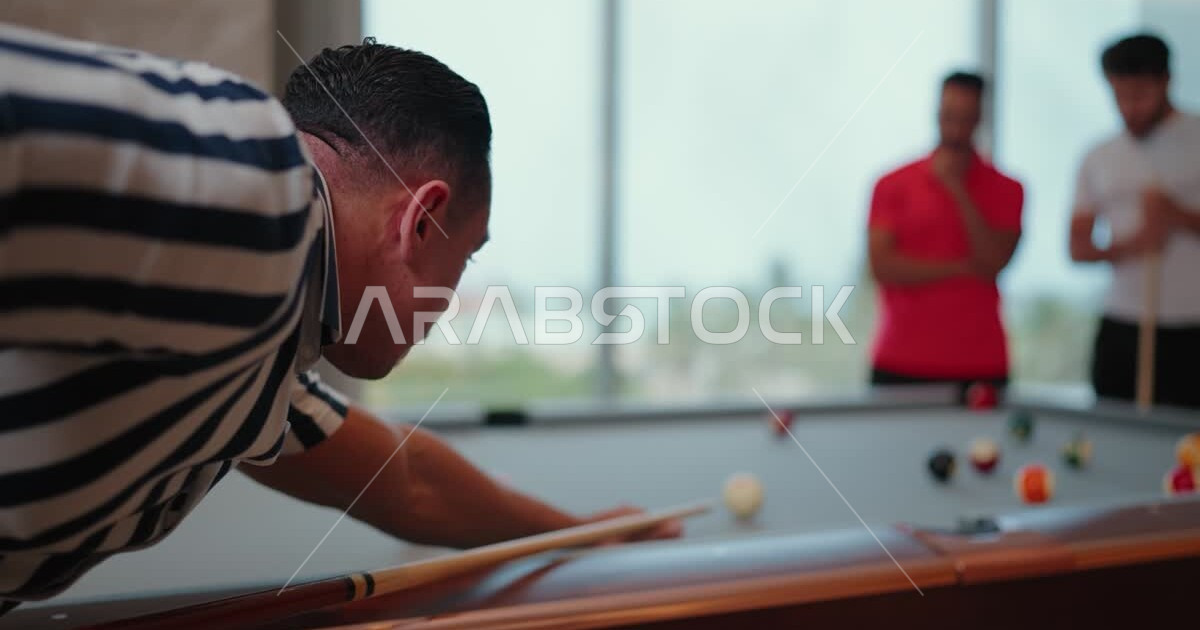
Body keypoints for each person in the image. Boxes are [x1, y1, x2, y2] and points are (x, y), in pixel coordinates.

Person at [0, 25, 678, 613]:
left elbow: (407, 483)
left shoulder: (266, 338)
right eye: (465, 257)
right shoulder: (259, 202)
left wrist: (584, 535)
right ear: (421, 222)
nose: (446, 309)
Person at [866, 71, 1024, 394]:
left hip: (981, 365)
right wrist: (959, 267)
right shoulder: (891, 183)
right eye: (949, 114)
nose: (956, 125)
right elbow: (882, 267)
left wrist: (957, 190)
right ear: (937, 112)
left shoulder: (1009, 189)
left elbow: (991, 262)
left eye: (965, 116)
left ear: (980, 116)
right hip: (900, 361)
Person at [1068, 34, 1200, 409]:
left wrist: (1176, 215)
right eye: (1119, 96)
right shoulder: (1099, 156)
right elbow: (1077, 247)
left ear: (1166, 82)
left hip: (1192, 326)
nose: (1129, 108)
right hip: (1123, 324)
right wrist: (1134, 243)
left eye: (1140, 95)